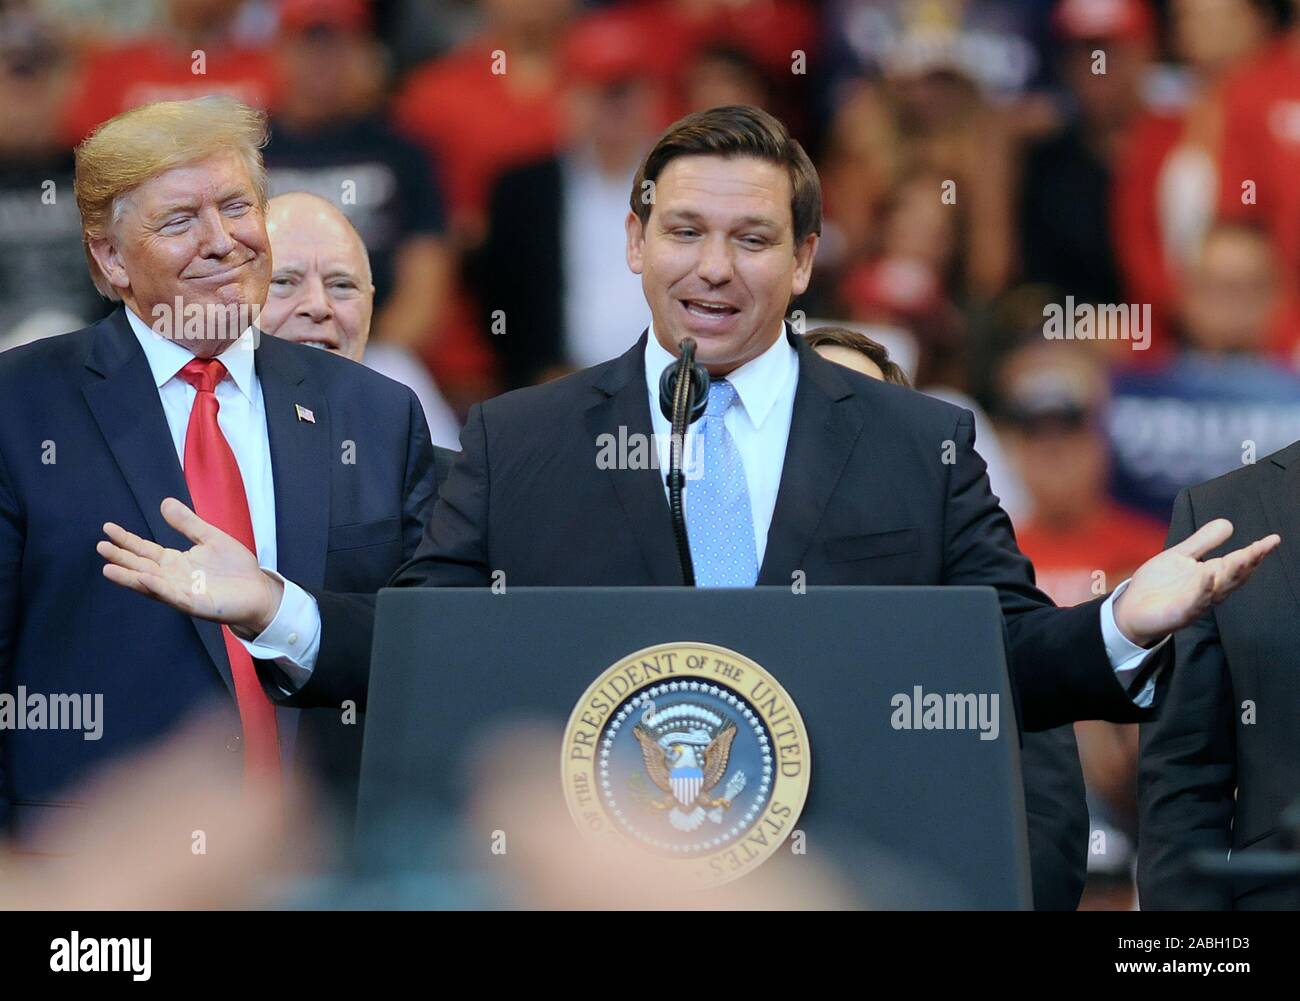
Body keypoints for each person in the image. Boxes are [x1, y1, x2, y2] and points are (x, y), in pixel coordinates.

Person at [100, 106, 1277, 742]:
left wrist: (1125, 617)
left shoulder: (919, 442)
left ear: (807, 259)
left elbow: (1004, 664)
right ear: (631, 241)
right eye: (683, 232)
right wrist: (273, 606)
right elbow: (424, 653)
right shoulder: (520, 440)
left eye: (754, 239)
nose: (713, 268)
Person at [0, 96, 443, 843]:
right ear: (109, 259)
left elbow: (435, 651)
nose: (222, 241)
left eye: (238, 206)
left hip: (328, 865)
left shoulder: (376, 412)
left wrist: (280, 611)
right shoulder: (19, 409)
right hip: (98, 870)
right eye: (179, 221)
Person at [810, 323, 1092, 910]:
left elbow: (1043, 810)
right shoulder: (723, 571)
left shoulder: (967, 583)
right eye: (814, 406)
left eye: (861, 409)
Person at [261, 191, 461, 450]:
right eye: (284, 282)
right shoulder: (201, 409)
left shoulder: (398, 387)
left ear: (369, 302)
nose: (318, 306)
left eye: (342, 286)